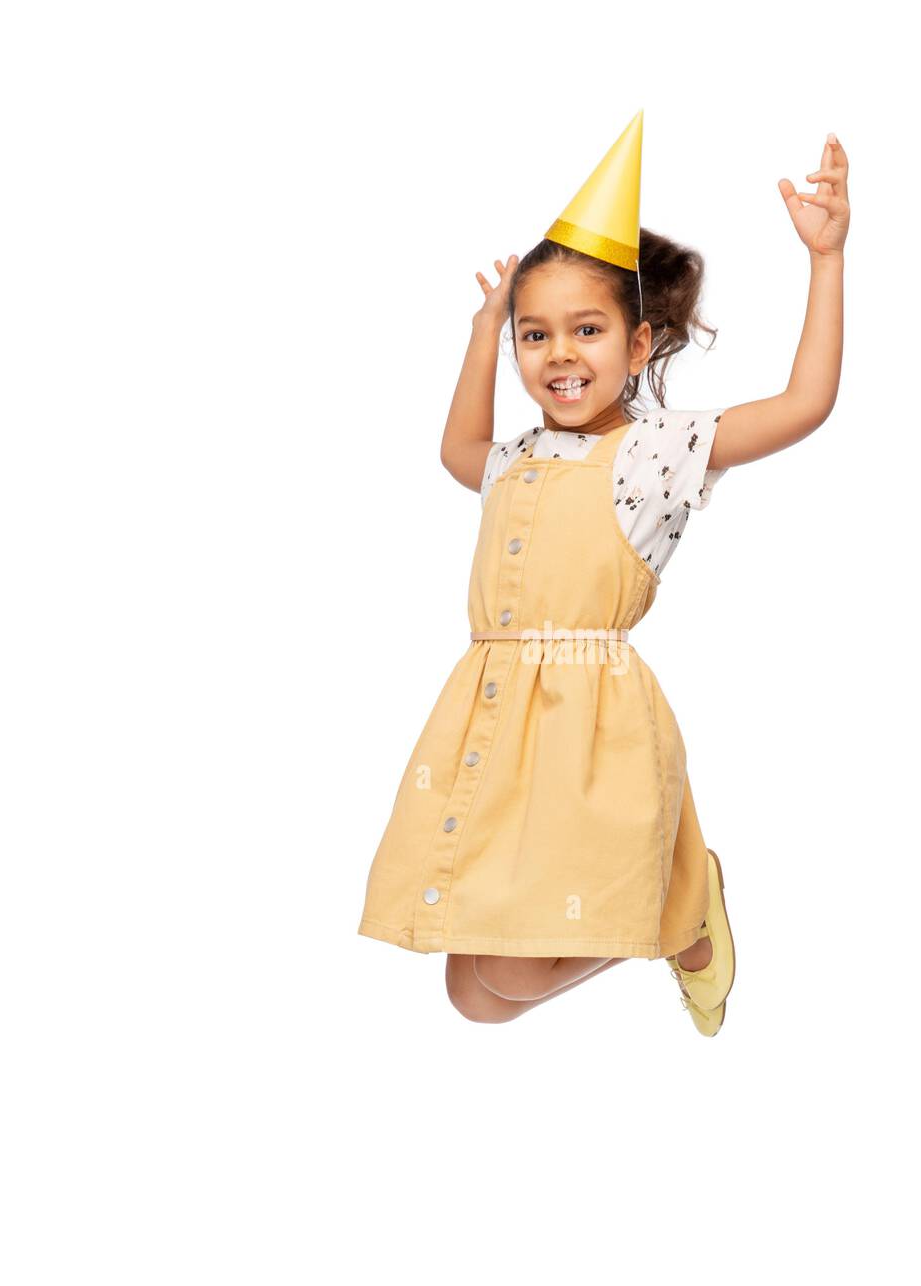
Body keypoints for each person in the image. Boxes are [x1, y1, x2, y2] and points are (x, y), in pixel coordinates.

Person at [358, 112, 849, 1034]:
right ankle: (675, 912)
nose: (559, 355)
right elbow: (456, 448)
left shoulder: (657, 453)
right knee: (476, 995)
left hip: (592, 730)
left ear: (638, 345)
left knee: (507, 964)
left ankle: (683, 915)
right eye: (534, 336)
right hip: (495, 718)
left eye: (586, 329)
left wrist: (826, 261)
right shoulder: (514, 457)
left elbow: (804, 404)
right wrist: (479, 332)